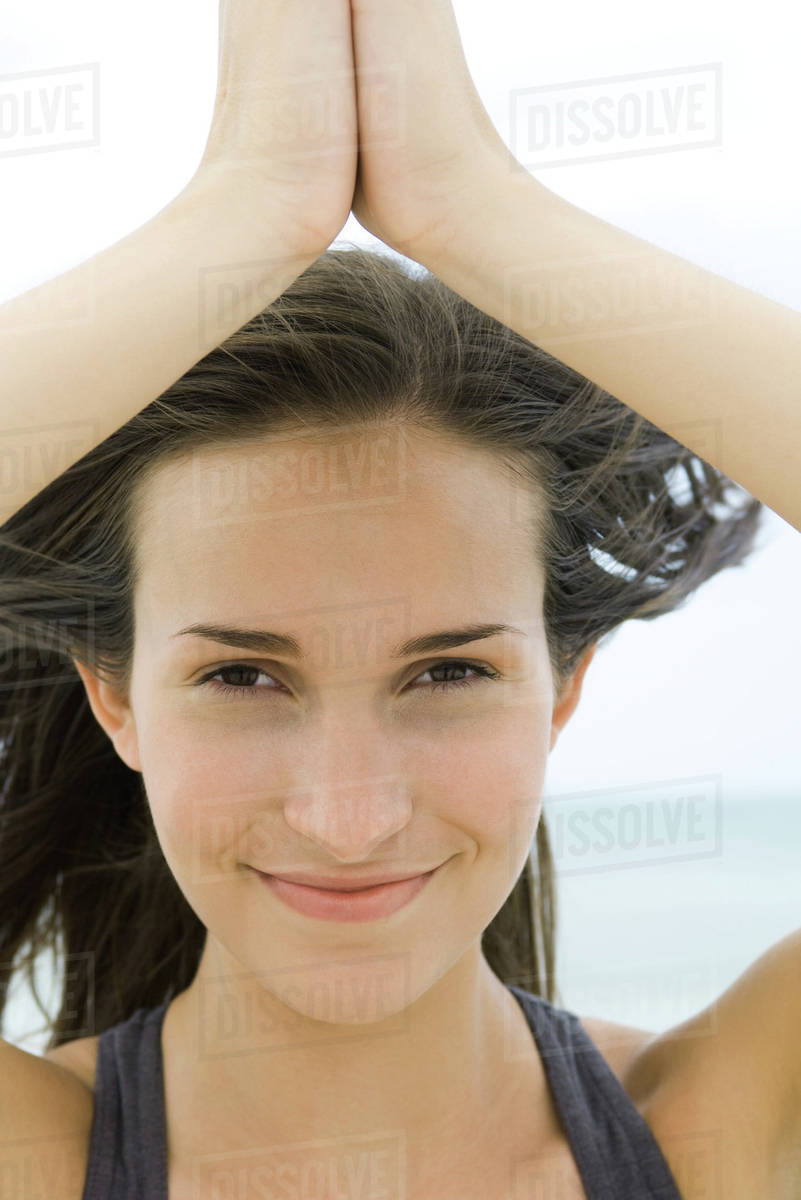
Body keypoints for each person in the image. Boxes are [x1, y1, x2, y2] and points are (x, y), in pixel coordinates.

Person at [0, 1, 798, 1197]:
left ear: (563, 682)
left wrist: (472, 199)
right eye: (241, 675)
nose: (349, 815)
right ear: (113, 696)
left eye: (448, 672)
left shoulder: (729, 1136)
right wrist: (248, 202)